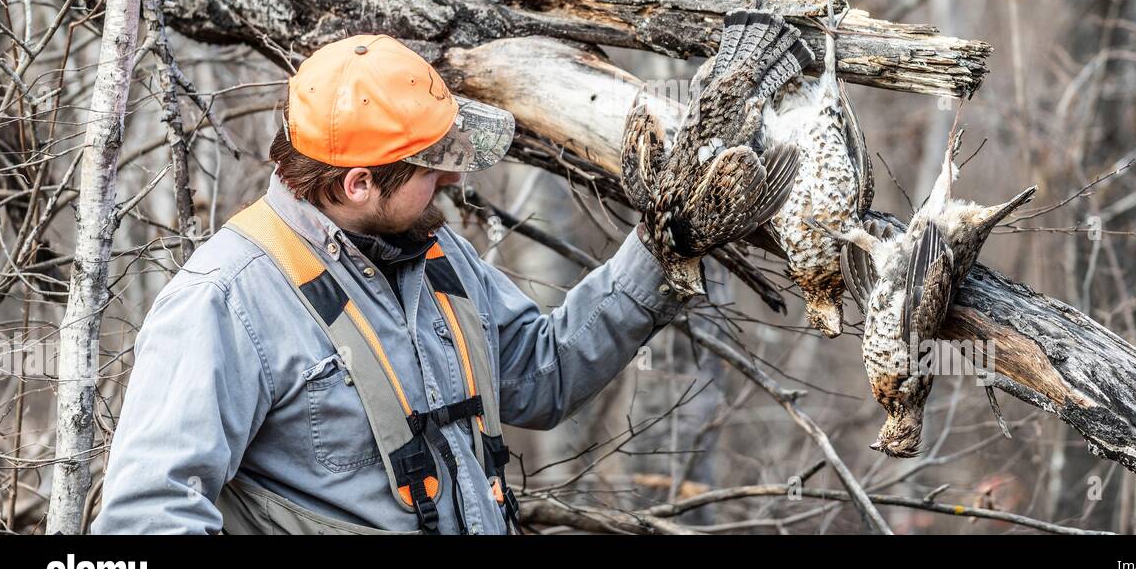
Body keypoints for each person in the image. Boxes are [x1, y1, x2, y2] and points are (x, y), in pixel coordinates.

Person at [92, 34, 696, 534]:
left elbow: (544, 376)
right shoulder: (226, 297)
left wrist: (664, 245)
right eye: (432, 164)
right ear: (357, 184)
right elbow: (149, 516)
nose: (455, 175)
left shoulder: (437, 252)